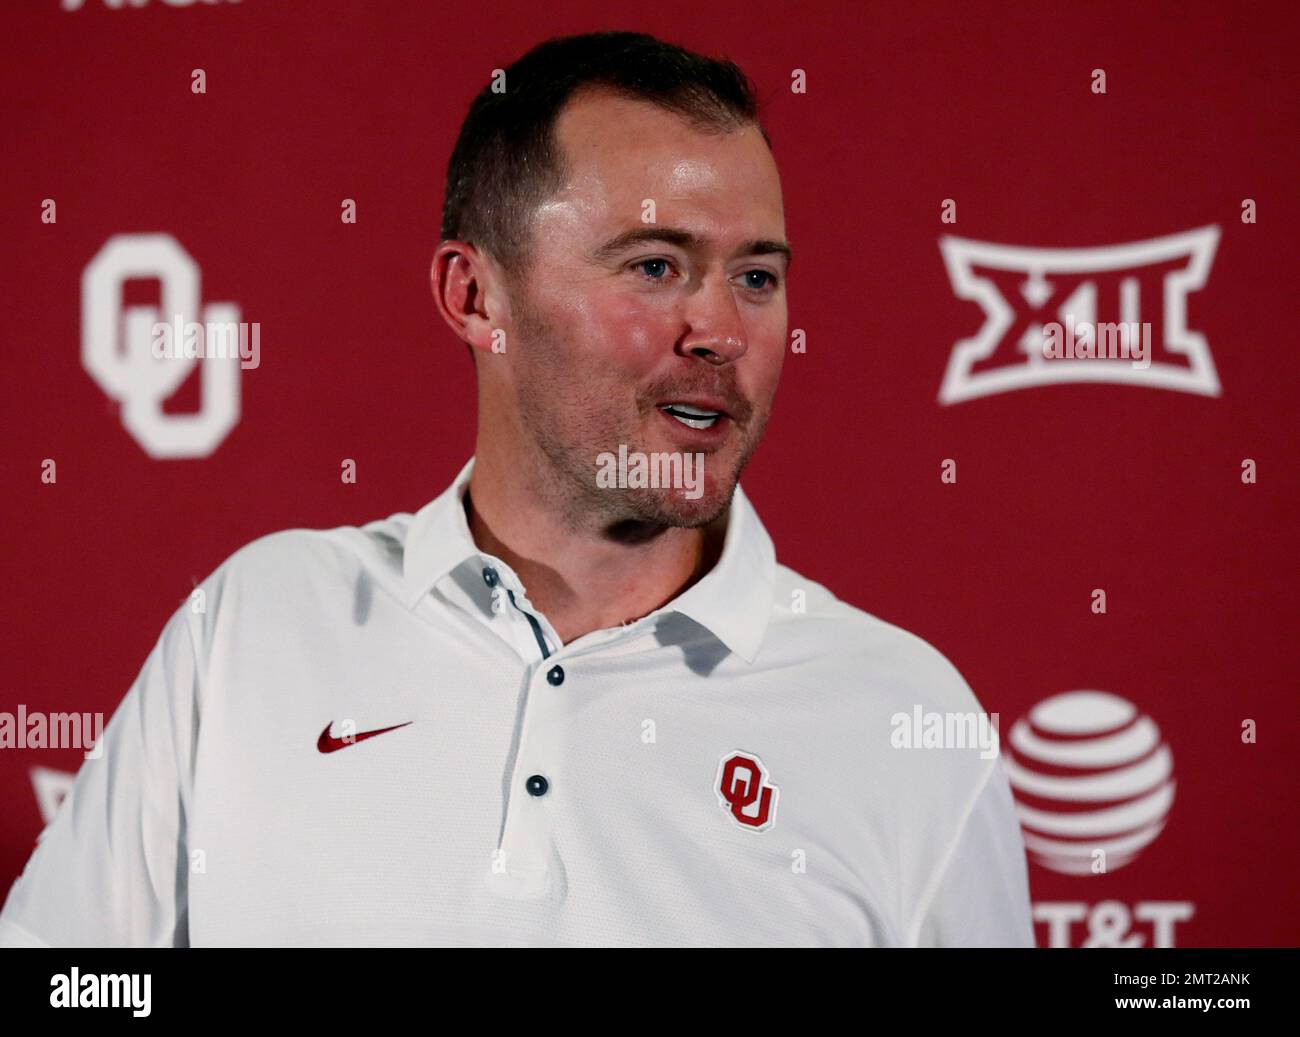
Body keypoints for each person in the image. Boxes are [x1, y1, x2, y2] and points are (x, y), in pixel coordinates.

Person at [0, 31, 1034, 947]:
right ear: (474, 295)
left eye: (755, 276)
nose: (721, 329)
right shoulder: (252, 625)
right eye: (654, 266)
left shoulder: (901, 718)